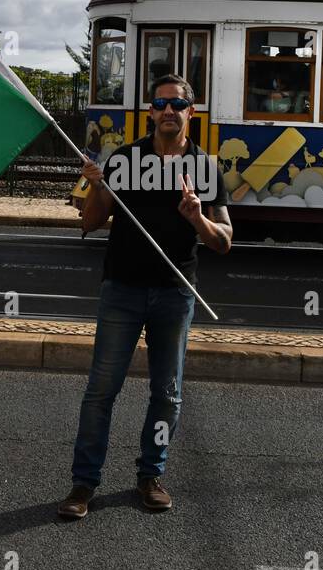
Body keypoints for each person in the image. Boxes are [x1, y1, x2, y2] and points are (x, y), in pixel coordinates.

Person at [59, 74, 233, 519]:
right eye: (161, 104)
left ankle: (150, 476)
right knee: (101, 390)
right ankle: (83, 485)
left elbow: (224, 241)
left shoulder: (206, 167)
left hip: (175, 295)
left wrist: (198, 219)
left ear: (192, 112)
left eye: (179, 104)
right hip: (122, 289)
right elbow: (91, 223)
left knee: (167, 394)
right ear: (151, 112)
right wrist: (96, 186)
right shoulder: (122, 160)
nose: (169, 111)